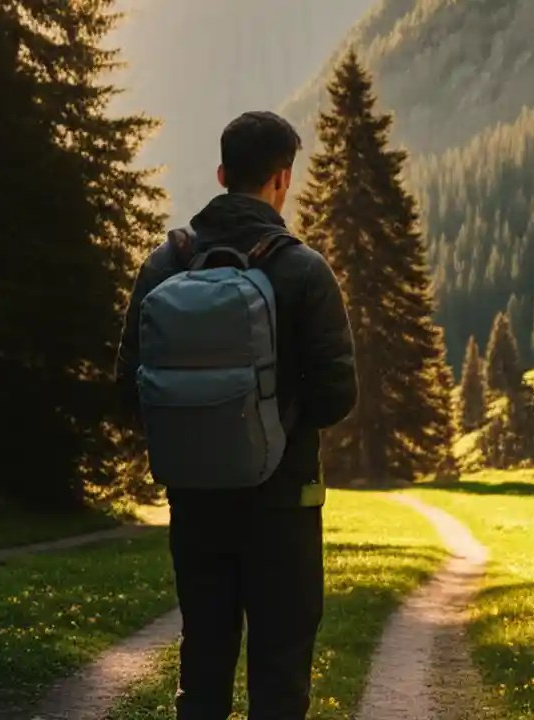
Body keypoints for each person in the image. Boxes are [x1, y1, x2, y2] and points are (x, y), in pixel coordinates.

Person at [115, 110, 358, 720]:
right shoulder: (303, 270)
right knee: (279, 672)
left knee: (204, 662)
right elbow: (337, 396)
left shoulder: (164, 267)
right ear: (283, 178)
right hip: (284, 504)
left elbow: (126, 392)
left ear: (222, 173)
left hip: (194, 503)